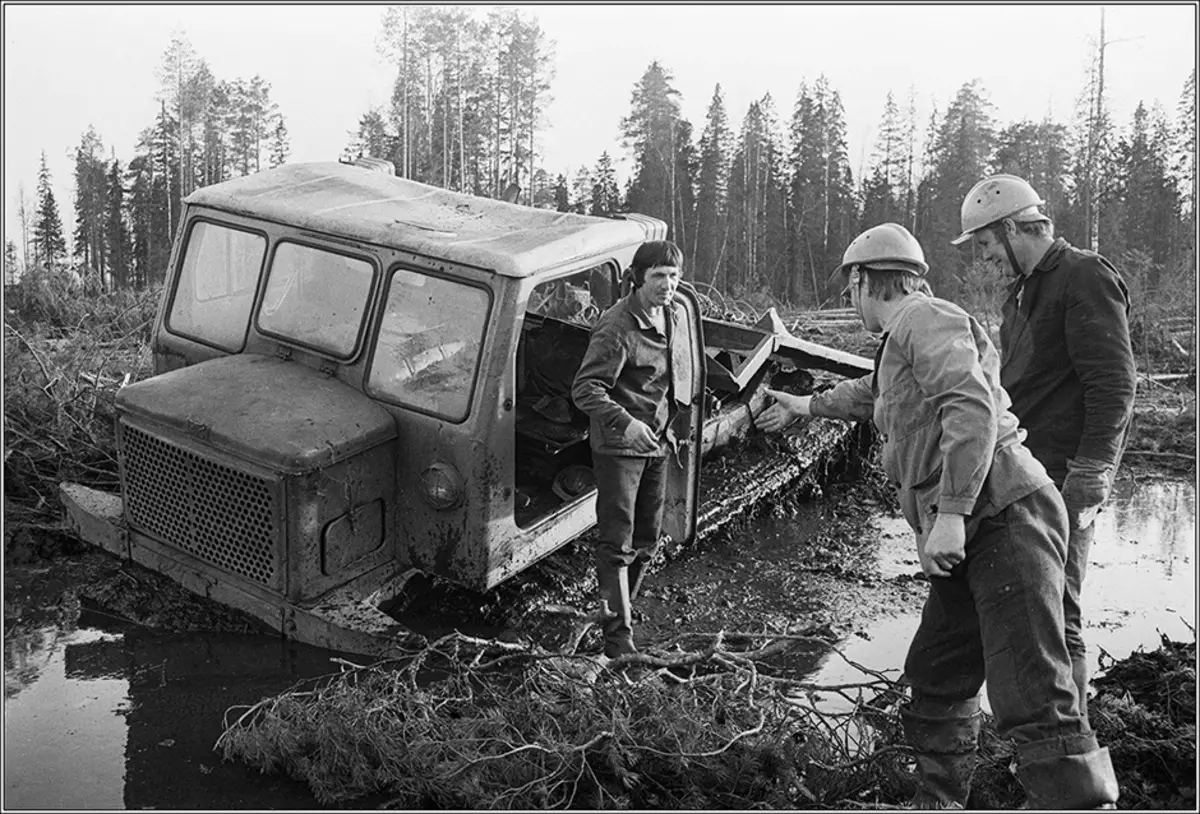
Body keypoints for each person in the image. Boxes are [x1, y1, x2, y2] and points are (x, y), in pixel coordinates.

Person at [756, 223, 1119, 809]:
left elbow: (970, 406)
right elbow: (876, 395)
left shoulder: (926, 320)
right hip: (978, 525)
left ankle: (1082, 803)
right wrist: (807, 405)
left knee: (1034, 691)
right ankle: (941, 800)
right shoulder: (905, 337)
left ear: (860, 280)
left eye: (850, 290)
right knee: (938, 674)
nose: (851, 302)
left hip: (1004, 514)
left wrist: (951, 513)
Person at [951, 174, 1137, 722]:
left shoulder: (1083, 275)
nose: (983, 258)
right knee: (1026, 606)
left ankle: (1071, 740)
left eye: (986, 244)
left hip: (1066, 474)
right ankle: (1036, 729)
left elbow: (1114, 383)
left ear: (1013, 228)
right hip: (1025, 472)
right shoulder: (1023, 292)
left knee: (1060, 611)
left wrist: (1093, 472)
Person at [571, 240, 695, 662]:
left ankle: (619, 612)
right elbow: (585, 390)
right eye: (659, 276)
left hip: (659, 440)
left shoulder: (673, 313)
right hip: (620, 448)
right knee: (617, 541)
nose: (668, 284)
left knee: (647, 537)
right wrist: (628, 423)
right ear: (638, 277)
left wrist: (673, 425)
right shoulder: (617, 328)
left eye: (674, 276)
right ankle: (618, 641)